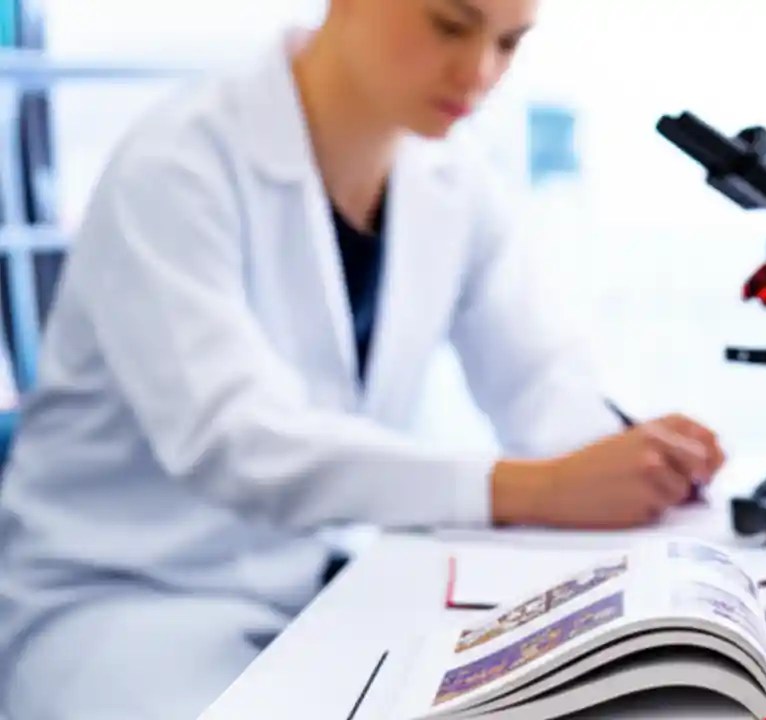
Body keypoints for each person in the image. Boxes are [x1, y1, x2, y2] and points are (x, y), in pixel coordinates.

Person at [0, 0, 726, 717]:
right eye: (450, 25)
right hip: (121, 601)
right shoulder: (175, 166)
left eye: (510, 44)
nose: (478, 72)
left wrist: (643, 465)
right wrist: (535, 488)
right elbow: (238, 442)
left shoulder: (452, 179)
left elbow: (541, 380)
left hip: (315, 591)